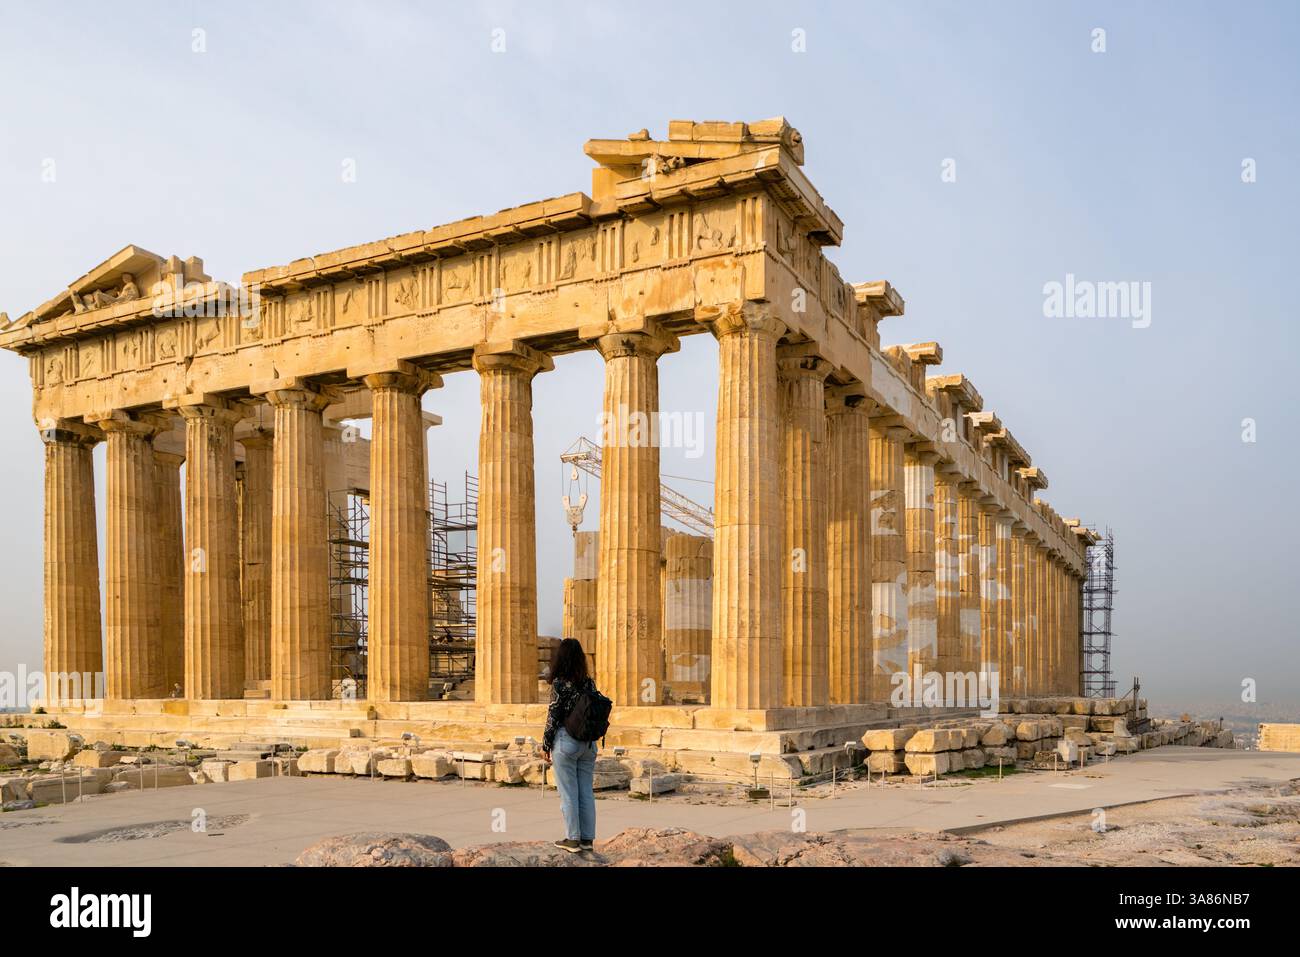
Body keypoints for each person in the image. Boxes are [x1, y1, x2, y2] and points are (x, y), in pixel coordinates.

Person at [542, 637, 598, 853]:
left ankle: (572, 839)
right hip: (588, 743)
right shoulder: (588, 682)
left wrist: (546, 744)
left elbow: (553, 715)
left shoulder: (559, 683)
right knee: (586, 792)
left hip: (566, 742)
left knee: (568, 793)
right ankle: (587, 839)